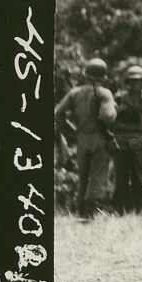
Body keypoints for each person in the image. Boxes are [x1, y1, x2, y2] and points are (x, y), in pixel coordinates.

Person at [54, 58, 117, 218]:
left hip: (82, 138)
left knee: (83, 176)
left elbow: (58, 113)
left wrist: (69, 130)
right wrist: (114, 109)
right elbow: (107, 116)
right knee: (97, 176)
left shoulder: (75, 93)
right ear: (103, 76)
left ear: (86, 75)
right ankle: (91, 211)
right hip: (99, 138)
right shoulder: (105, 93)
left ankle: (80, 211)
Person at [112, 65, 142, 214]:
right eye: (132, 81)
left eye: (139, 81)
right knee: (121, 176)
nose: (135, 84)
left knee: (140, 177)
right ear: (128, 82)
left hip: (141, 139)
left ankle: (139, 210)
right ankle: (120, 210)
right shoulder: (119, 98)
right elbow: (111, 120)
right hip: (121, 139)